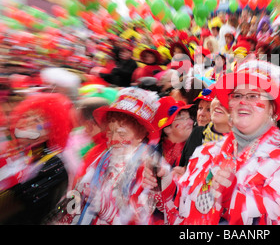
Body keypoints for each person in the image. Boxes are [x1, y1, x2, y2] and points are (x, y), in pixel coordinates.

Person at [144, 60, 280, 225]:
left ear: (273, 109)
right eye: (237, 96)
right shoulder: (205, 153)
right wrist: (165, 183)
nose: (243, 102)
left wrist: (231, 197)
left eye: (253, 96)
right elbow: (184, 209)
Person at [59, 87, 162, 225]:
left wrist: (107, 209)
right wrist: (64, 216)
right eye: (110, 132)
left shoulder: (147, 167)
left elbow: (140, 216)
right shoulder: (103, 157)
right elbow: (80, 190)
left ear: (140, 135)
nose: (113, 139)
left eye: (122, 134)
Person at [0, 93, 74, 224]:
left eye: (37, 121)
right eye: (26, 116)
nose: (26, 122)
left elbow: (16, 203)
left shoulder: (54, 165)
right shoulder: (26, 156)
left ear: (50, 131)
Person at [177, 88, 231, 170]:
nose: (201, 114)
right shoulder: (196, 133)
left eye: (208, 109)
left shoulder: (234, 143)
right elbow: (182, 168)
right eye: (200, 108)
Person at [152, 96, 194, 168]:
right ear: (167, 129)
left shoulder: (196, 148)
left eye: (189, 117)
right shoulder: (153, 152)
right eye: (182, 118)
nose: (191, 122)